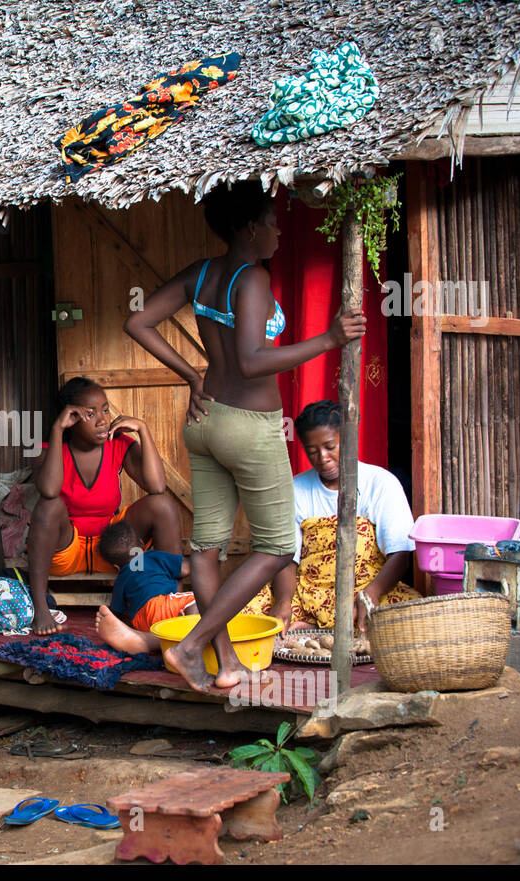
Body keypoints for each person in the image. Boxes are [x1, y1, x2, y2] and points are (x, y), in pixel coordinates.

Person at [123, 181, 366, 691]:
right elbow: (253, 360)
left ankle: (224, 661)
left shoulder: (205, 272)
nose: (279, 230)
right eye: (273, 221)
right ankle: (193, 646)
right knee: (278, 547)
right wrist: (327, 339)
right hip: (249, 429)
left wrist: (193, 375)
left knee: (206, 549)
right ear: (251, 227)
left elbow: (138, 321)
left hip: (206, 423)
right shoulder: (251, 278)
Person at [244, 400, 421, 632]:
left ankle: (312, 627)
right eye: (312, 451)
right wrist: (284, 602)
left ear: (347, 440)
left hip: (367, 591)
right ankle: (310, 622)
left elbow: (400, 554)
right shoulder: (296, 489)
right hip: (305, 593)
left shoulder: (380, 483)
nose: (322, 457)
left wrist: (371, 593)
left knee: (415, 620)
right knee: (245, 616)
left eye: (330, 446)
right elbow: (287, 558)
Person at [26, 377, 179, 635]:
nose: (102, 420)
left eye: (105, 410)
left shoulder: (118, 444)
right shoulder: (46, 449)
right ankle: (40, 607)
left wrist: (143, 429)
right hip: (66, 548)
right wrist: (56, 430)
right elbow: (49, 490)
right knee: (48, 506)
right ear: (71, 418)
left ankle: (168, 601)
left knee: (163, 505)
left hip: (114, 549)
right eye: (90, 413)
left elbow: (157, 486)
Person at [91, 520, 194, 654]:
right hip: (165, 605)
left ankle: (144, 640)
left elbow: (116, 612)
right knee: (201, 601)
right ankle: (188, 636)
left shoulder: (122, 578)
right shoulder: (153, 556)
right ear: (141, 544)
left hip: (140, 620)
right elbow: (186, 569)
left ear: (116, 567)